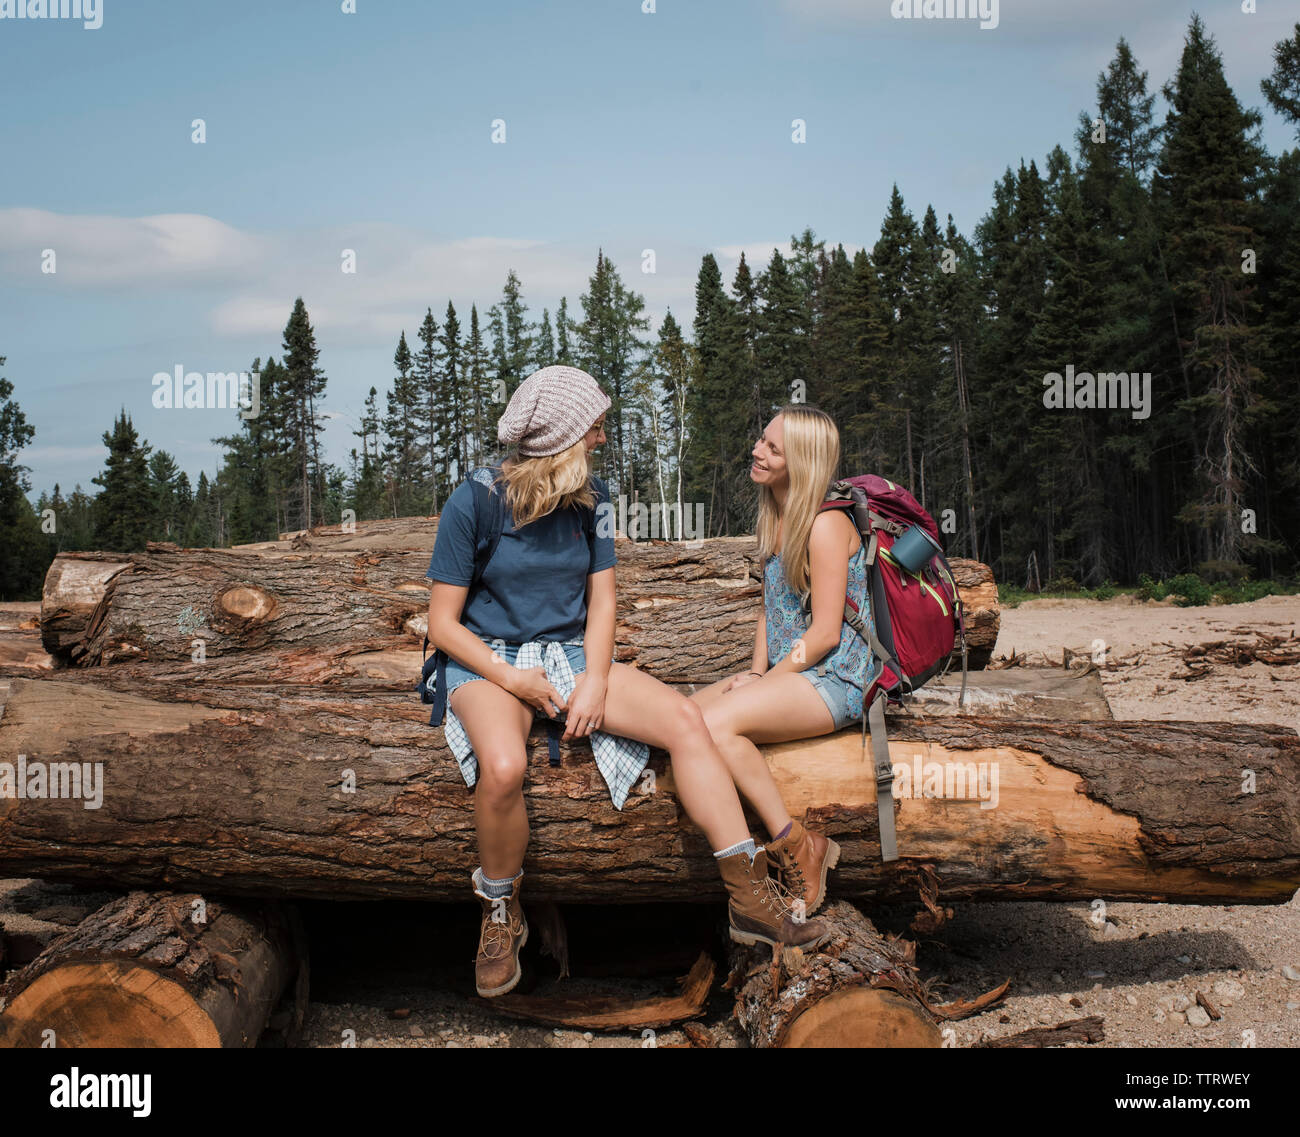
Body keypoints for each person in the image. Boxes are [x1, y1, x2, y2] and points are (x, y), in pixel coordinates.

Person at [425, 366, 828, 998]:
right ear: (561, 438)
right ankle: (501, 911)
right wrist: (514, 680)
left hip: (569, 653)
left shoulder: (595, 495)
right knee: (502, 767)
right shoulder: (474, 499)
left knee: (686, 723)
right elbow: (442, 624)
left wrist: (593, 680)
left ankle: (751, 900)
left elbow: (603, 600)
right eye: (594, 428)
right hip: (489, 658)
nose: (603, 439)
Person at [689, 405, 872, 916]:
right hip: (796, 672)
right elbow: (773, 611)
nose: (757, 450)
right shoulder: (779, 517)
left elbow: (825, 633)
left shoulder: (826, 525)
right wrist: (754, 673)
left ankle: (798, 845)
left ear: (803, 460)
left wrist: (766, 683)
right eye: (761, 440)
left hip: (838, 677)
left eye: (772, 447)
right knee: (682, 720)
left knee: (716, 728)